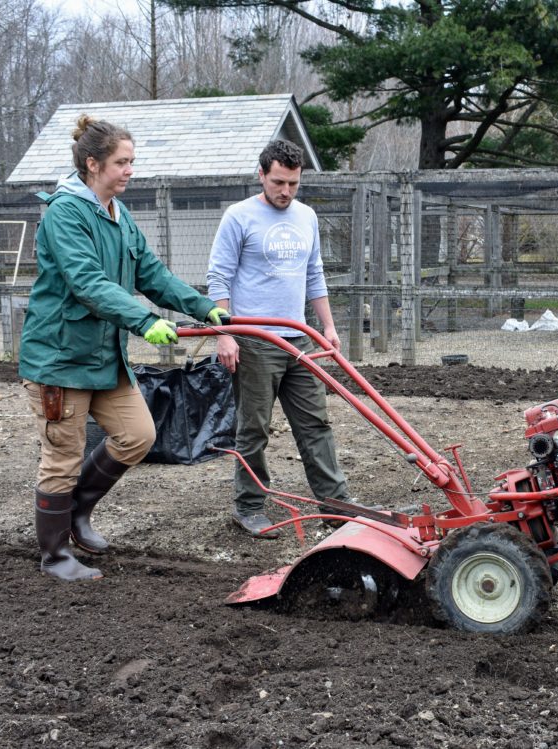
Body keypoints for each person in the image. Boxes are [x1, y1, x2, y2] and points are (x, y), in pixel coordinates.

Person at [20, 115, 219, 581]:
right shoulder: (65, 213)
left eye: (132, 162)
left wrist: (204, 308)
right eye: (122, 162)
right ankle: (54, 555)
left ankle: (76, 514)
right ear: (93, 164)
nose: (131, 170)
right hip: (61, 359)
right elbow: (87, 284)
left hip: (104, 356)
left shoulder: (117, 213)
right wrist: (146, 322)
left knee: (137, 435)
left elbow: (151, 273)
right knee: (62, 458)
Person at [206, 139, 352, 538]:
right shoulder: (238, 217)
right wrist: (224, 333)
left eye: (292, 183)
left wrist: (329, 327)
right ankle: (249, 506)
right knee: (253, 427)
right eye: (277, 183)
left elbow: (314, 274)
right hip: (253, 340)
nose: (285, 191)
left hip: (298, 340)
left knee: (316, 424)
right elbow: (218, 278)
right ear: (261, 175)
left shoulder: (307, 217)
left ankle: (336, 507)